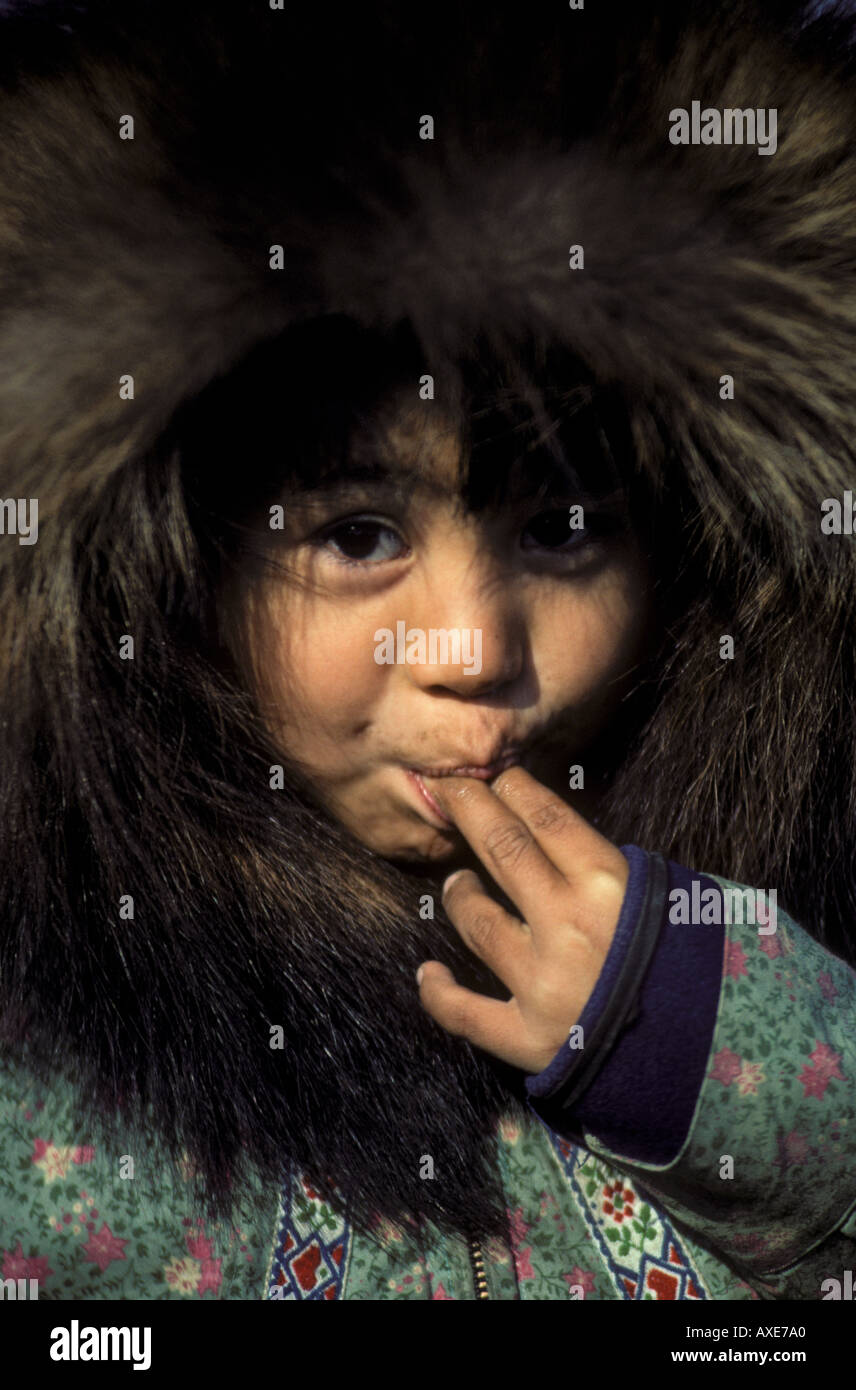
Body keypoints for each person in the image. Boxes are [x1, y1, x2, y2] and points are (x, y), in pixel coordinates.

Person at [2, 0, 856, 1302]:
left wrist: (709, 1040)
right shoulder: (38, 1075)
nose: (472, 646)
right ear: (169, 575)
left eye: (562, 530)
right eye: (355, 536)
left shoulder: (795, 919)